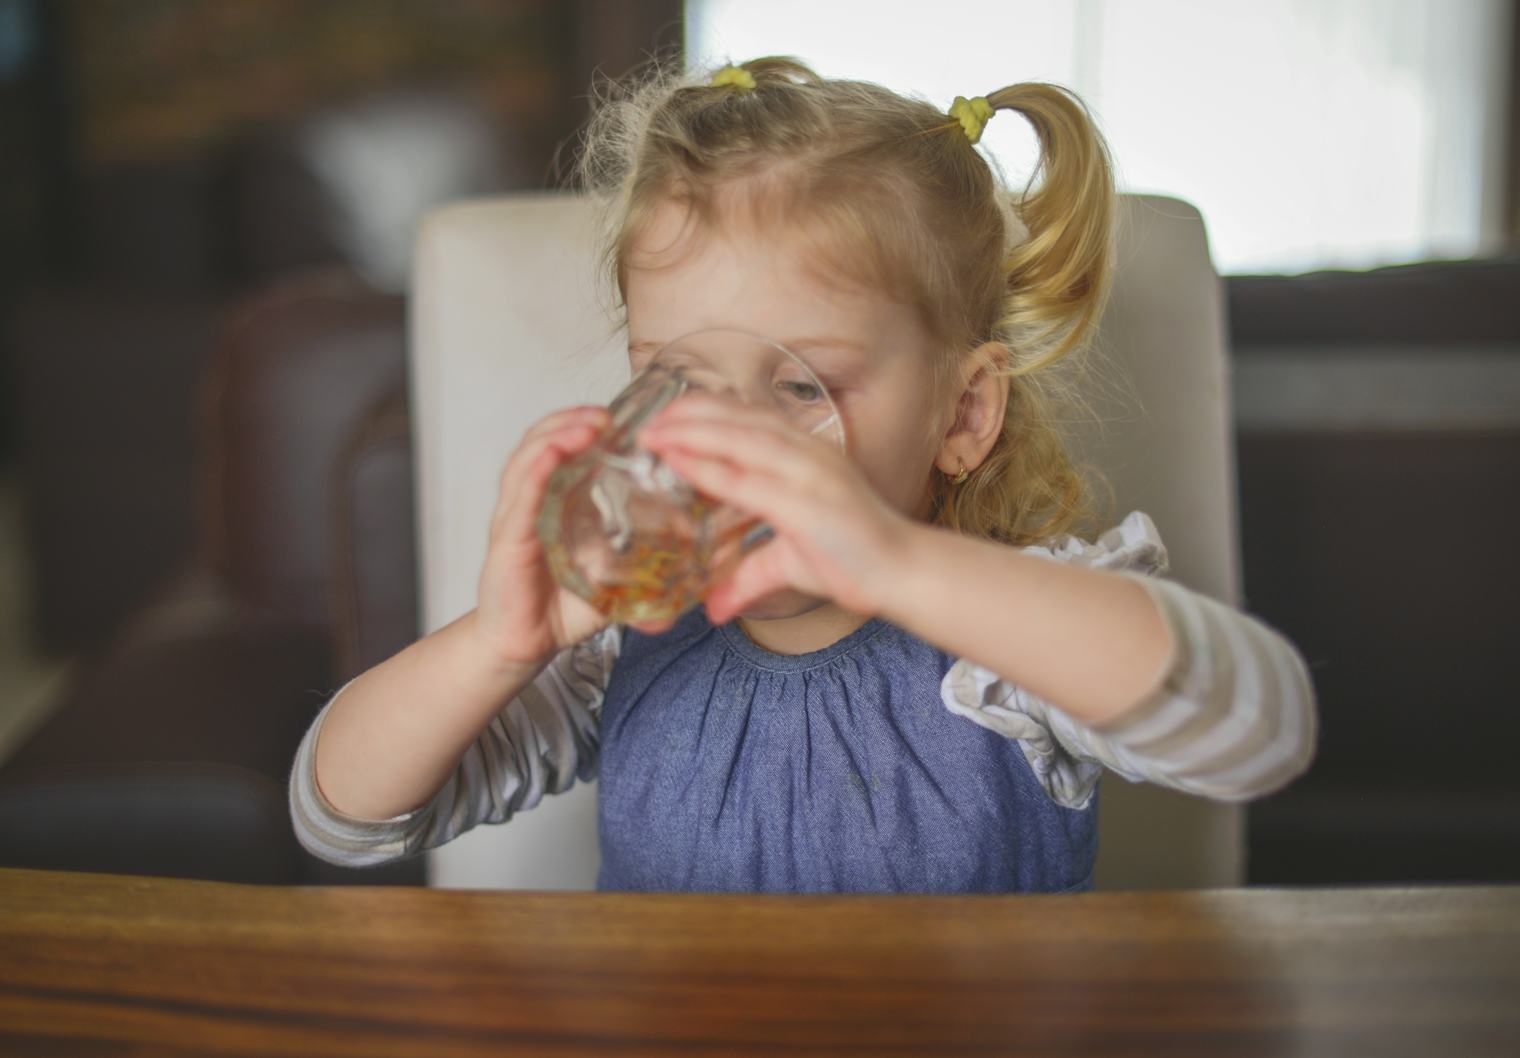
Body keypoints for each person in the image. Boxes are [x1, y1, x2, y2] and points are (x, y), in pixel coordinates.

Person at [289, 57, 1317, 893]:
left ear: (961, 413)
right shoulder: (623, 654)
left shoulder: (1006, 657)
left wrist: (899, 566)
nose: (732, 440)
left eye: (798, 386)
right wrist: (495, 642)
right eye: (679, 377)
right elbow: (340, 818)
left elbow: (1261, 731)